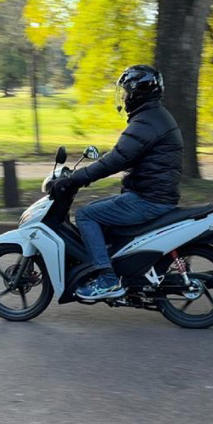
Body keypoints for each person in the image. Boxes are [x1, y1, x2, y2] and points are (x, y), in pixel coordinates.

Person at [52, 64, 183, 300]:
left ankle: (108, 281)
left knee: (86, 215)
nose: (124, 96)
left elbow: (116, 160)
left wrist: (76, 179)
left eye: (127, 91)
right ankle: (115, 268)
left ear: (138, 92)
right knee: (103, 212)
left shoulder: (146, 122)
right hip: (151, 194)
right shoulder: (152, 117)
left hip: (149, 199)